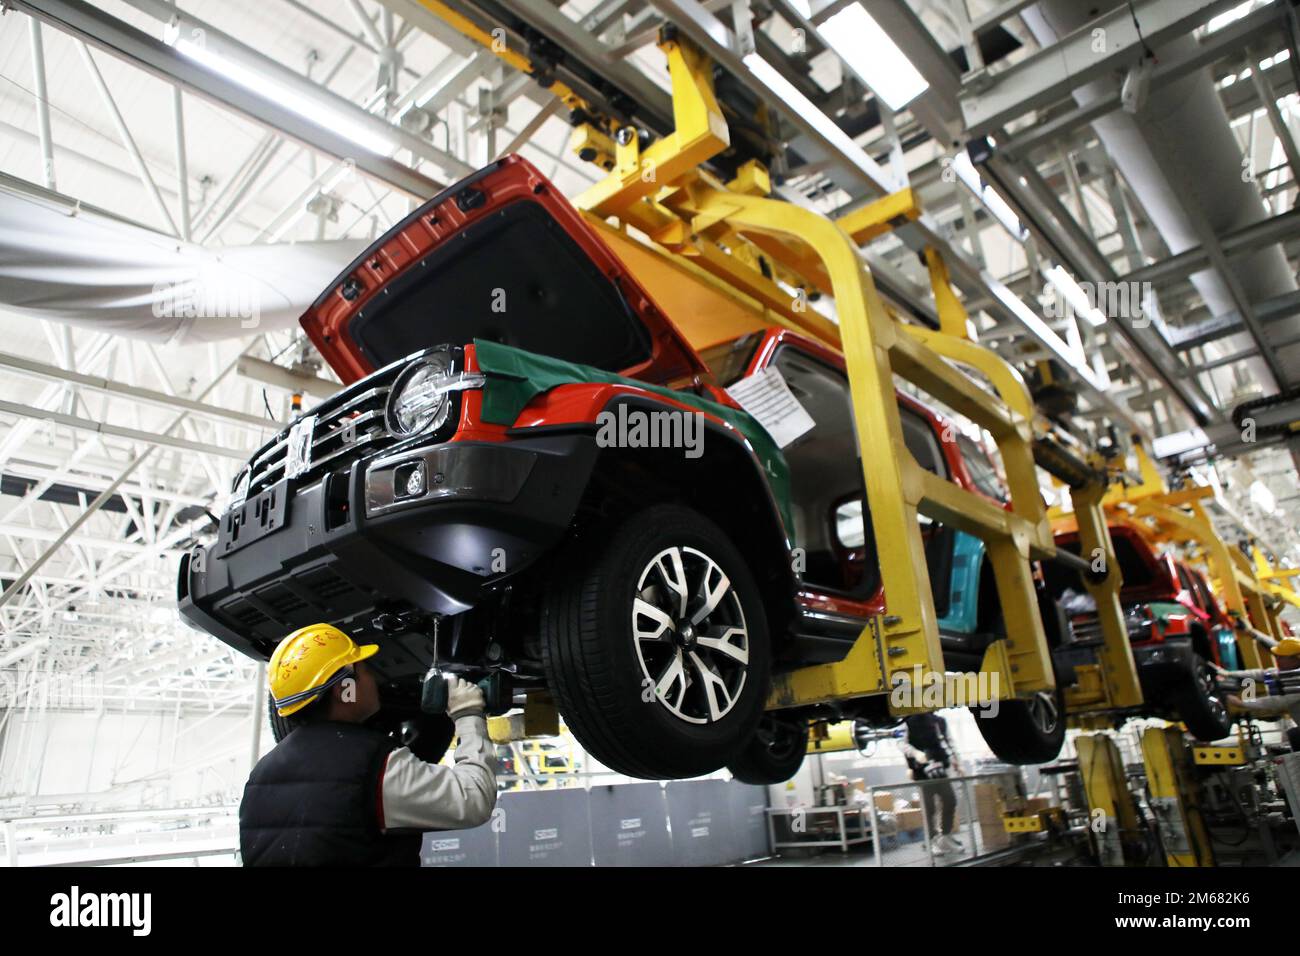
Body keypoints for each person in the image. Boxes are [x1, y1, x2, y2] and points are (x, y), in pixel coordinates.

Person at [239, 623, 497, 866]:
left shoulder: (259, 777)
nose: (373, 679)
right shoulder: (373, 765)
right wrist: (467, 713)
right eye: (365, 670)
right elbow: (473, 798)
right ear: (346, 690)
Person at [1222, 637, 1300, 751]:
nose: (1277, 659)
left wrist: (1242, 703)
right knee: (1293, 736)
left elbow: (1277, 701)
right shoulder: (1288, 671)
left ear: (1296, 659)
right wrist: (1229, 673)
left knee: (1294, 736)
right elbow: (1261, 674)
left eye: (1281, 657)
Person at [902, 712, 962, 855]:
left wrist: (957, 762)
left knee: (950, 800)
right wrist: (915, 754)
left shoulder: (939, 721)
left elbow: (949, 742)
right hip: (922, 772)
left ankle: (945, 835)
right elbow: (901, 743)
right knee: (929, 808)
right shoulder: (906, 722)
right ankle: (931, 839)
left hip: (940, 769)